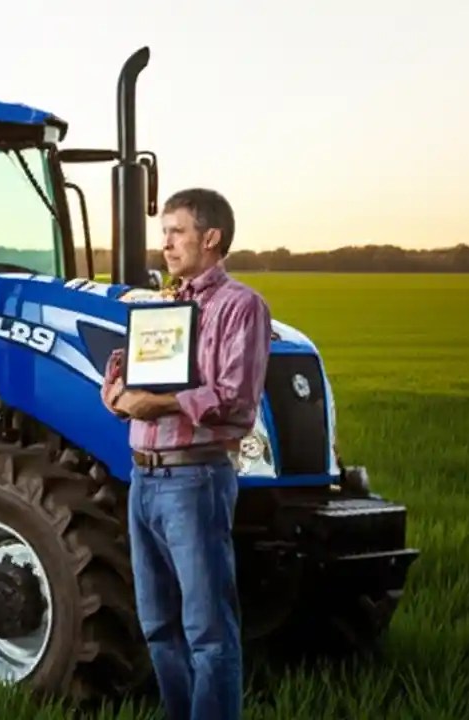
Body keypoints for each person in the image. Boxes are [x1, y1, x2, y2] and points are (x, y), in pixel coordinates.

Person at [100, 188, 271, 720]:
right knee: (157, 626)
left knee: (208, 631)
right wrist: (116, 393)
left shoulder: (241, 307)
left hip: (194, 480)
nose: (167, 244)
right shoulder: (161, 306)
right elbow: (125, 375)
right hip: (143, 481)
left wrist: (157, 403)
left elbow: (235, 399)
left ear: (211, 237)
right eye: (164, 234)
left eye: (177, 231)